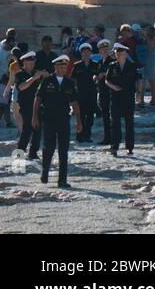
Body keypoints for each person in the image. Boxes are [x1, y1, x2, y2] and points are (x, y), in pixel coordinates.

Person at [34, 54, 80, 187]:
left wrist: (79, 120)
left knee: (63, 150)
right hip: (48, 118)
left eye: (65, 67)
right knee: (49, 146)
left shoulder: (70, 83)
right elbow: (38, 99)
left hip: (64, 119)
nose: (62, 69)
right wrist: (34, 116)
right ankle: (45, 171)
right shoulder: (47, 80)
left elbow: (75, 102)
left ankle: (62, 180)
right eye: (60, 66)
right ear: (55, 67)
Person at [105, 42, 139, 157]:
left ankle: (129, 147)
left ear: (125, 53)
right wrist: (114, 87)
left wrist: (139, 93)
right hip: (115, 97)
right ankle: (114, 147)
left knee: (129, 123)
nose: (119, 55)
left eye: (121, 53)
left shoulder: (131, 65)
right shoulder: (112, 65)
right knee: (115, 123)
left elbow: (138, 79)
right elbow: (107, 80)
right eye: (117, 53)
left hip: (128, 97)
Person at [14, 53, 43, 158]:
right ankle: (19, 154)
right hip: (26, 105)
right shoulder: (19, 74)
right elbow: (21, 87)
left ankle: (33, 153)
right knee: (27, 130)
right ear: (24, 63)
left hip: (38, 105)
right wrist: (33, 78)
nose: (32, 65)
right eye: (29, 63)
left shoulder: (37, 73)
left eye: (33, 63)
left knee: (38, 130)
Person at [71, 43, 99, 142]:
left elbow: (99, 76)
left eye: (88, 52)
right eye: (84, 52)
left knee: (90, 116)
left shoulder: (95, 64)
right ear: (81, 53)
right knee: (80, 115)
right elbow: (72, 79)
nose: (86, 54)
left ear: (91, 53)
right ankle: (79, 135)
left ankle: (87, 135)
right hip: (80, 93)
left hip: (92, 93)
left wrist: (97, 78)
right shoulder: (77, 65)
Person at [94, 39, 114, 144]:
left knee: (111, 116)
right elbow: (97, 73)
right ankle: (107, 137)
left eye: (106, 48)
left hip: (110, 91)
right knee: (105, 115)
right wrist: (96, 76)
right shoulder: (99, 62)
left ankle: (112, 137)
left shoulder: (112, 61)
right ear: (100, 51)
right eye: (103, 49)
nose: (105, 50)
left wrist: (104, 74)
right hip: (102, 91)